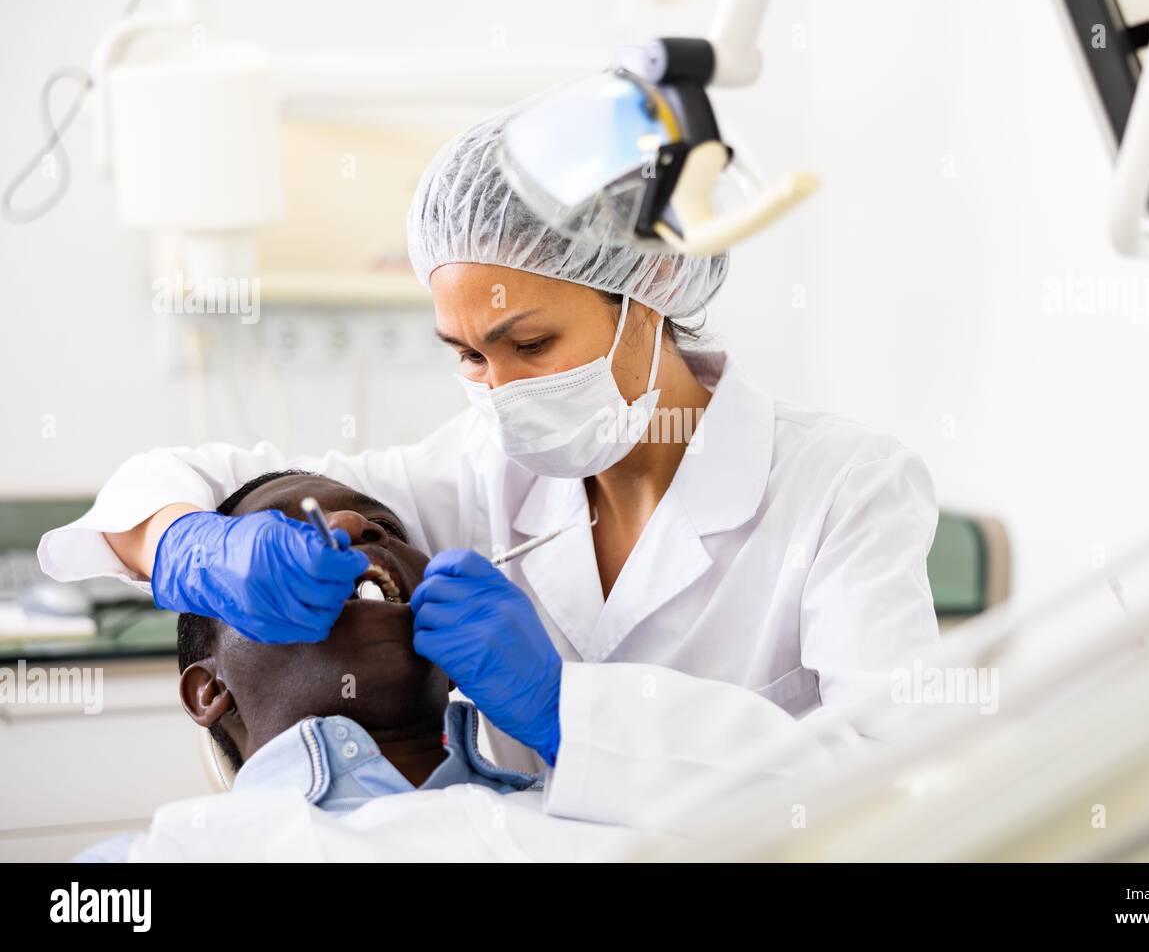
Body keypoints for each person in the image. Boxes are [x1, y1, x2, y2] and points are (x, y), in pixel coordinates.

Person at [40, 106, 941, 772]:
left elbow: (906, 790)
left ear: (654, 283)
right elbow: (174, 477)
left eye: (530, 343)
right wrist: (191, 547)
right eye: (468, 355)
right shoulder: (482, 470)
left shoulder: (843, 488)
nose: (500, 393)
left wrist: (568, 711)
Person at [75, 471, 864, 862]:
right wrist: (180, 541)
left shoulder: (616, 822)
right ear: (207, 689)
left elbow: (860, 818)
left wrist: (564, 707)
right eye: (287, 534)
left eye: (387, 527)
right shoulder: (162, 860)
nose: (354, 526)